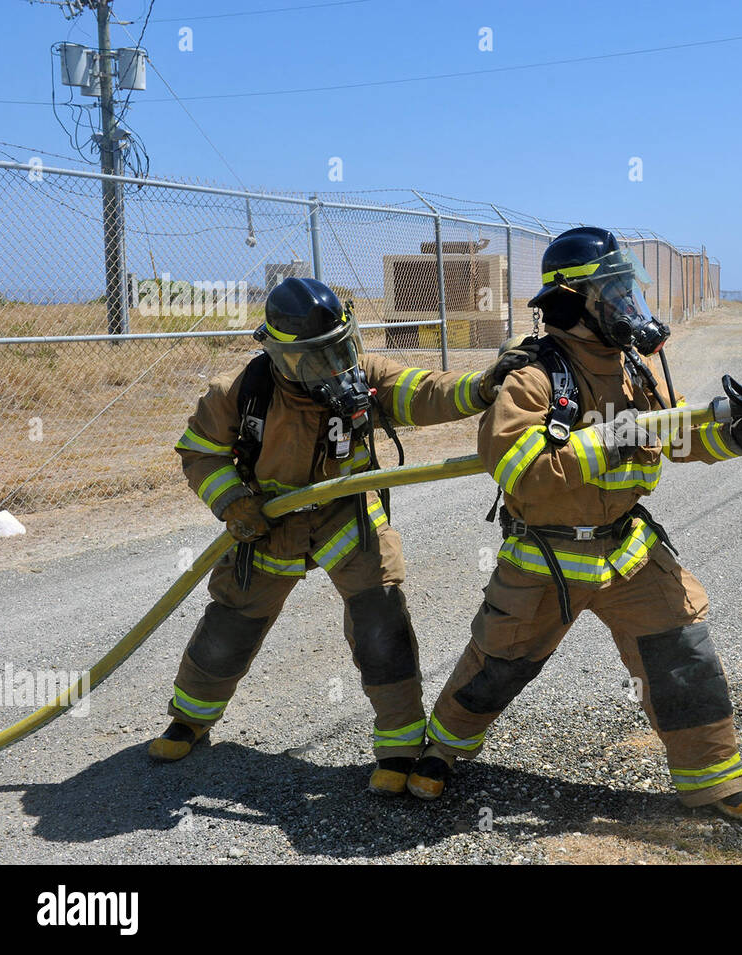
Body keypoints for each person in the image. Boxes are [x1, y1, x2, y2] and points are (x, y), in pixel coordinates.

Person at [407, 227, 742, 820]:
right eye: (614, 290)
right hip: (546, 558)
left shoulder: (630, 365)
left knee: (682, 654)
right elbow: (518, 468)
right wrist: (609, 439)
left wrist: (735, 436)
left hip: (629, 550)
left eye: (628, 288)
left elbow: (670, 432)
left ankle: (713, 780)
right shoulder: (533, 377)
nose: (628, 304)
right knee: (497, 665)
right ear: (576, 302)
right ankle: (442, 751)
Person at [148, 277, 535, 795]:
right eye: (312, 357)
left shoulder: (366, 377)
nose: (332, 367)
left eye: (339, 349)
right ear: (278, 353)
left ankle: (398, 745)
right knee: (233, 622)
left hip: (346, 516)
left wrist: (485, 385)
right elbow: (200, 451)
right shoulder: (238, 392)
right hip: (269, 523)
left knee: (381, 622)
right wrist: (234, 503)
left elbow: (424, 393)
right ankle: (190, 718)